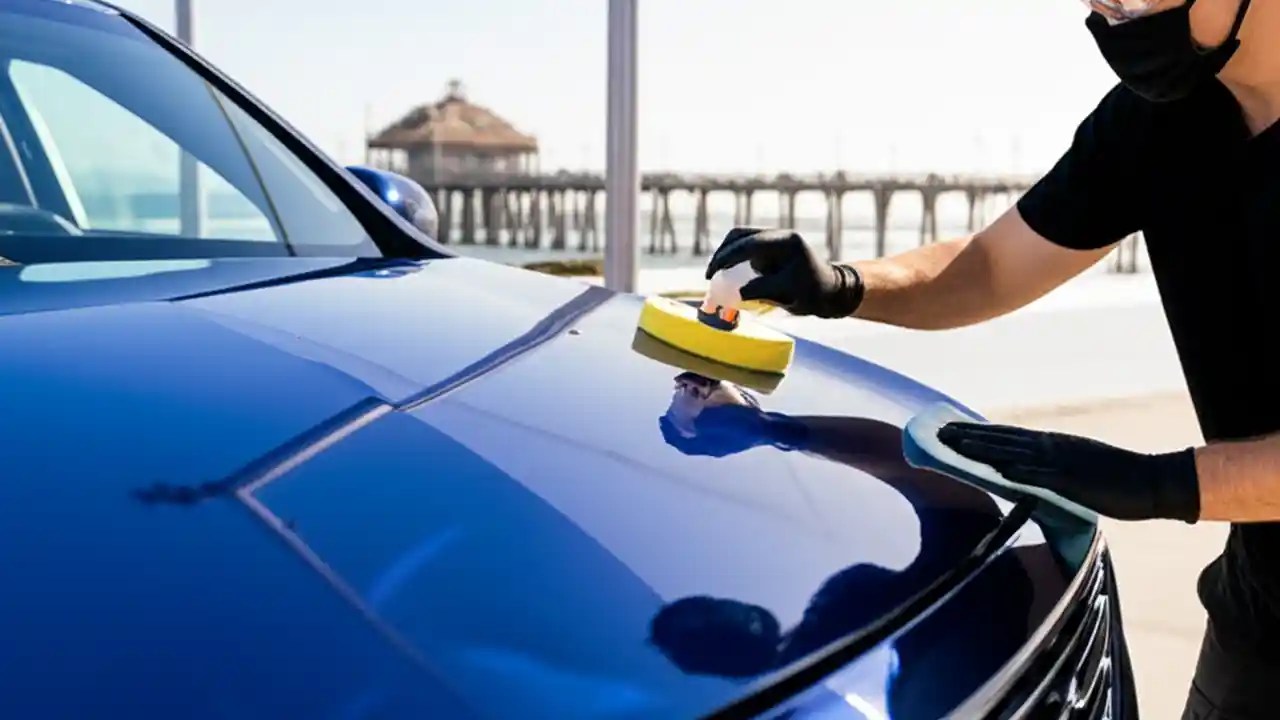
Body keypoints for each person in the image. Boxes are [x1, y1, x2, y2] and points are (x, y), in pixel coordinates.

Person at [703, 1, 1280, 716]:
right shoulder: (1157, 123)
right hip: (1257, 630)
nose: (1106, 10)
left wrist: (1160, 483)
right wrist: (844, 287)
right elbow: (992, 267)